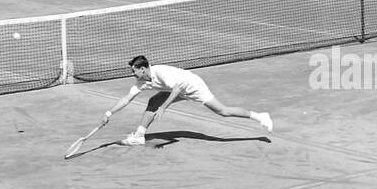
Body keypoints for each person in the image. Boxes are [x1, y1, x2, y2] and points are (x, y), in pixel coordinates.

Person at [103, 55, 273, 146]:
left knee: (223, 111)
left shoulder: (160, 72)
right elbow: (127, 98)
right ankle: (139, 136)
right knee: (153, 102)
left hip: (192, 86)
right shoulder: (141, 82)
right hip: (176, 89)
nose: (133, 74)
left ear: (142, 69)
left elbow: (177, 89)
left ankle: (260, 116)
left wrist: (164, 107)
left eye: (134, 71)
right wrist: (109, 113)